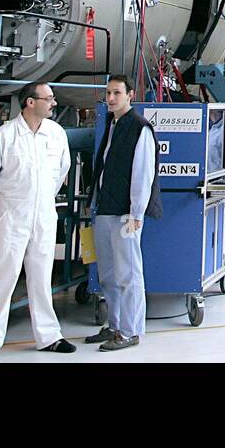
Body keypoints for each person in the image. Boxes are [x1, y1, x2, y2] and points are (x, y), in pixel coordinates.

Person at [0, 82, 76, 363]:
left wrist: (40, 199)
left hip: (43, 213)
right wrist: (2, 207)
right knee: (1, 277)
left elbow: (61, 170)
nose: (53, 103)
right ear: (30, 102)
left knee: (42, 276)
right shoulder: (3, 137)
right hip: (12, 214)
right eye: (48, 98)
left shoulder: (56, 135)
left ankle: (49, 336)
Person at [85, 74, 160, 352]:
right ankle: (115, 325)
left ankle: (130, 331)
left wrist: (136, 213)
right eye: (108, 93)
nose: (111, 98)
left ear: (130, 95)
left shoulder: (139, 128)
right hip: (105, 208)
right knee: (108, 273)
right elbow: (103, 166)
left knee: (128, 273)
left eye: (117, 93)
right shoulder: (112, 124)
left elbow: (143, 174)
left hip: (125, 214)